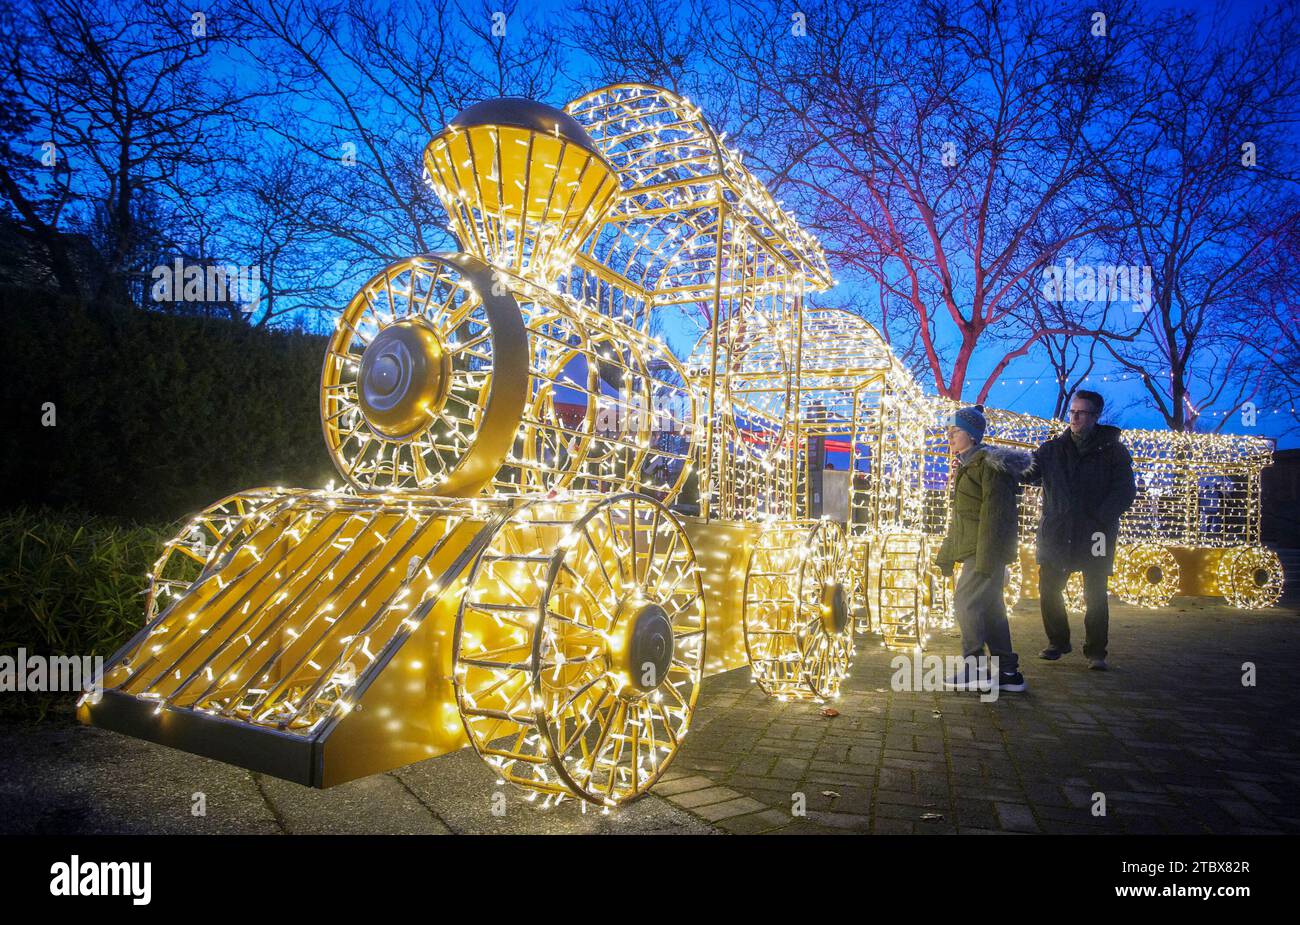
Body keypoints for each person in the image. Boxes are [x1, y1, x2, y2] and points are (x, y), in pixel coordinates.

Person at [1021, 390, 1136, 670]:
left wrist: (1100, 518)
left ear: (1095, 416)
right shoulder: (1052, 450)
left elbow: (1125, 491)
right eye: (1072, 412)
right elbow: (1026, 472)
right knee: (1048, 588)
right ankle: (1058, 641)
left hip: (1096, 534)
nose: (1074, 417)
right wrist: (997, 463)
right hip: (1057, 531)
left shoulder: (1112, 450)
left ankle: (1096, 652)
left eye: (1081, 412)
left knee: (1095, 593)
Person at [935, 405, 1029, 692]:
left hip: (984, 551)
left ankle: (974, 670)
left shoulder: (988, 466)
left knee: (965, 604)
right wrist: (947, 555)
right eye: (948, 431)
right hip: (977, 550)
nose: (950, 436)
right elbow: (962, 518)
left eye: (956, 431)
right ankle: (1008, 674)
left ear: (973, 435)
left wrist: (988, 561)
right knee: (990, 610)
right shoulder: (969, 466)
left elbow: (995, 516)